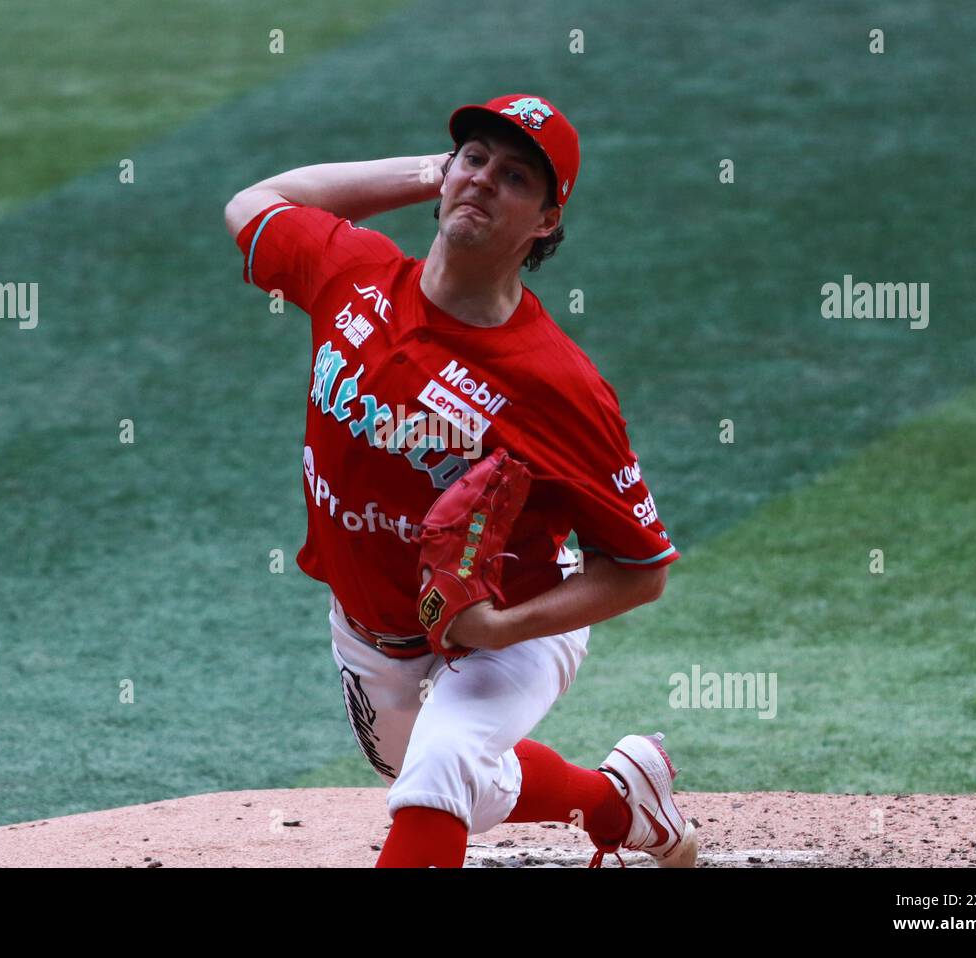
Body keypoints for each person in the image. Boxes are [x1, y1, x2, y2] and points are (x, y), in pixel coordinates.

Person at [224, 94, 697, 868]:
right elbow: (256, 203)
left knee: (439, 778)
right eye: (473, 160)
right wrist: (431, 172)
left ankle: (588, 788)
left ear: (546, 222)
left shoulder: (558, 386)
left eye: (514, 178)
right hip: (372, 627)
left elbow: (640, 573)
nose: (483, 180)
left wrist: (502, 629)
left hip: (510, 619)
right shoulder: (355, 273)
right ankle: (619, 801)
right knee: (454, 779)